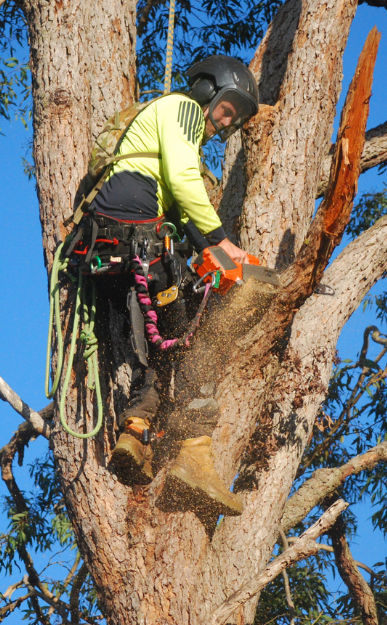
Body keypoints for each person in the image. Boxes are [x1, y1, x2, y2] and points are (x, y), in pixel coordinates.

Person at [84, 55, 259, 516]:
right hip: (136, 225)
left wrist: (215, 249)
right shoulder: (180, 108)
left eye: (232, 121)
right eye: (225, 110)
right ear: (206, 90)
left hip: (112, 247)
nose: (222, 125)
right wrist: (225, 244)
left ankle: (136, 430)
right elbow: (184, 183)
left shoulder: (156, 134)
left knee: (157, 343)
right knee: (196, 335)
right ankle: (195, 452)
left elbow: (183, 214)